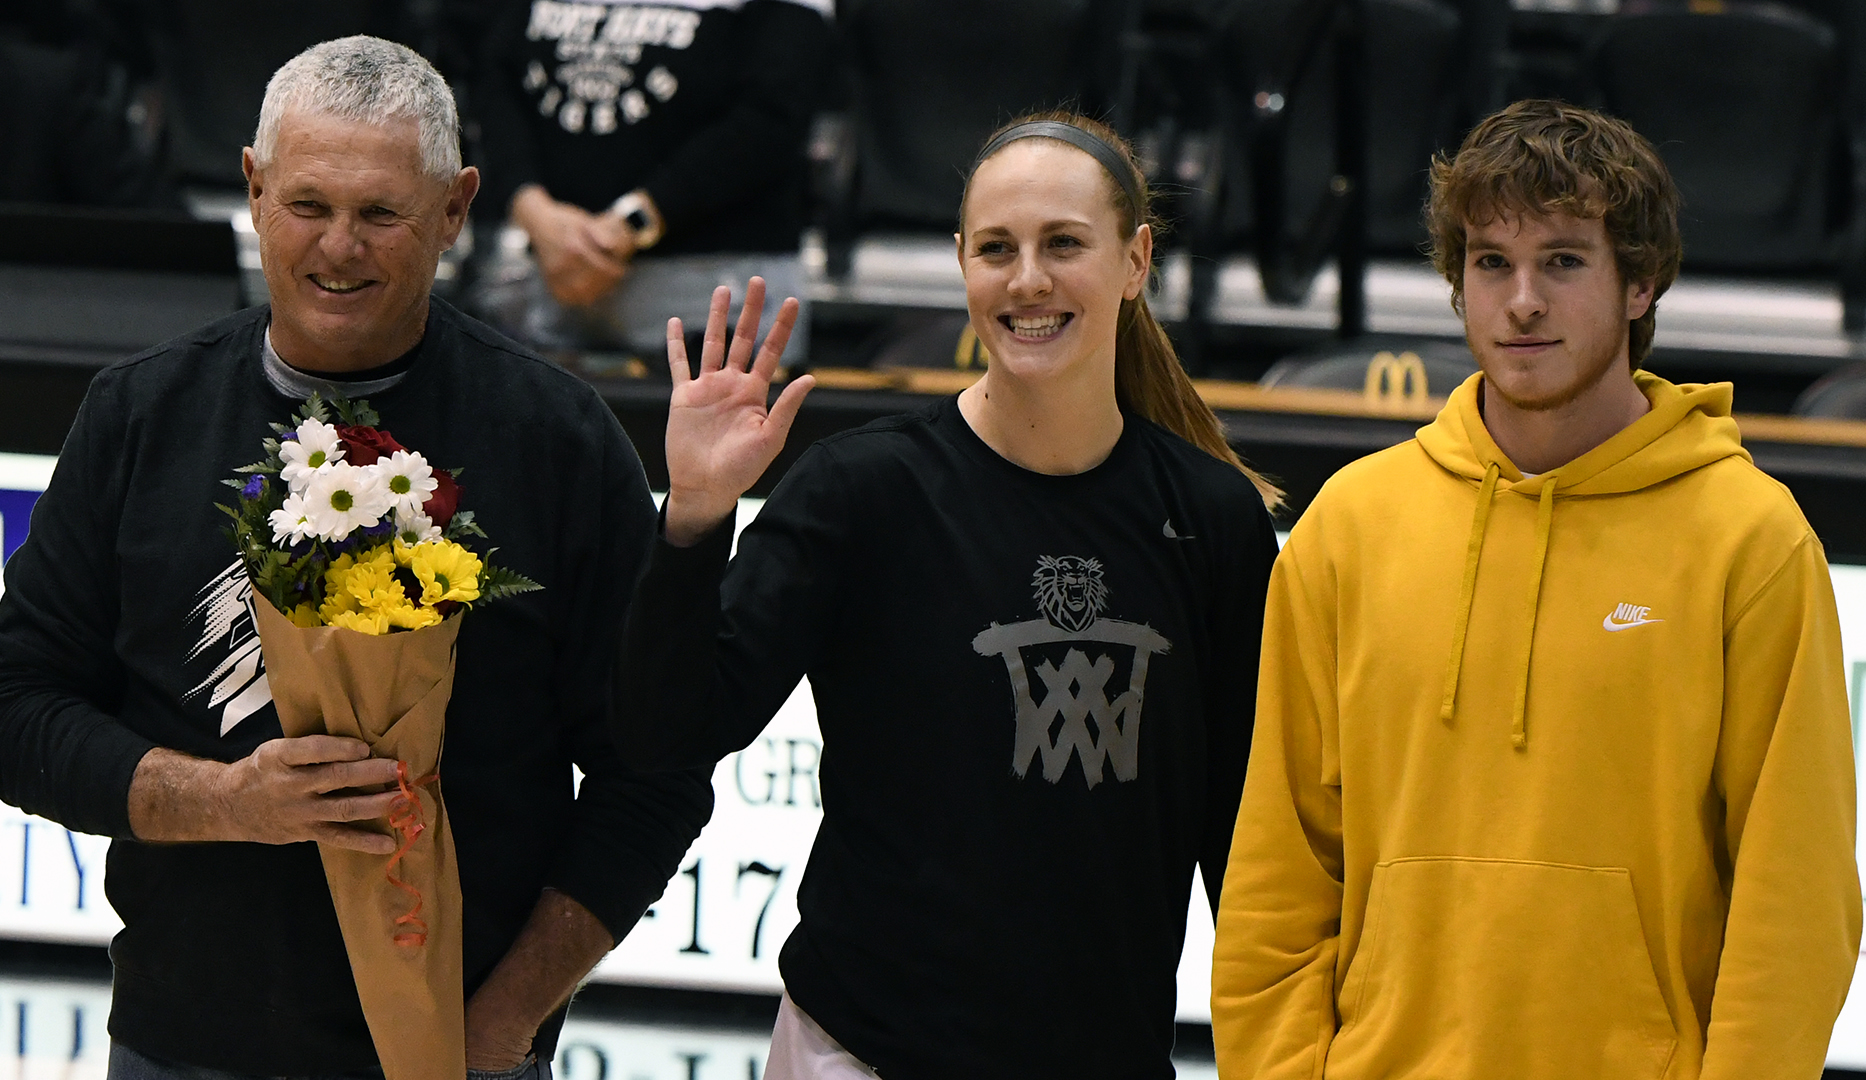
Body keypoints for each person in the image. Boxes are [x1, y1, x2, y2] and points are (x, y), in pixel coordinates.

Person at [0, 36, 712, 1080]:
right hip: (179, 1042)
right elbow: (16, 708)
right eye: (308, 205)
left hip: (461, 1055)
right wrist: (226, 802)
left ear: (457, 208)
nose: (339, 249)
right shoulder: (139, 413)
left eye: (382, 213)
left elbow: (652, 778)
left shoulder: (558, 439)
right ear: (249, 186)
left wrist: (501, 1024)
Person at [613, 112, 1282, 1078]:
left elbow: (1241, 833)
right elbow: (664, 736)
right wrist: (693, 524)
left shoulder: (1212, 517)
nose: (1029, 281)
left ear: (1136, 260)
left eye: (1064, 245)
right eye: (997, 250)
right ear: (960, 262)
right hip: (863, 1050)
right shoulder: (861, 491)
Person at [1211, 99, 1861, 1079]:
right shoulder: (1349, 527)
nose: (1522, 301)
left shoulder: (1750, 542)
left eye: (1562, 260)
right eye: (1489, 262)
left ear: (1640, 283)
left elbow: (1795, 903)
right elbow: (1278, 875)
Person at [467, 0, 831, 365]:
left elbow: (774, 113)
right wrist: (532, 208)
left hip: (711, 285)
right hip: (555, 275)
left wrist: (631, 223)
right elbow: (495, 79)